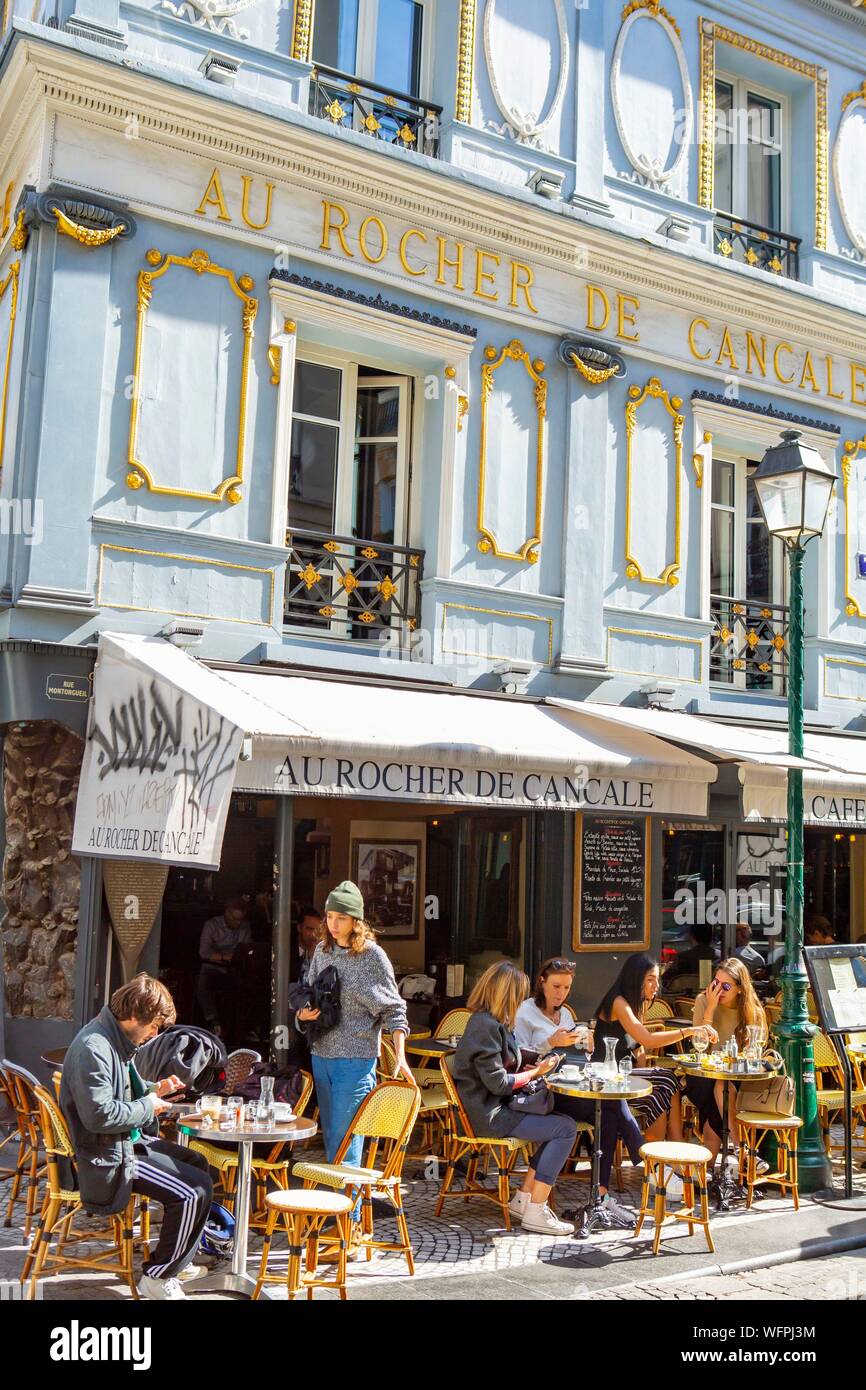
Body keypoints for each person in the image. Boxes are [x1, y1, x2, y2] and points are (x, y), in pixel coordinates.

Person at [60, 975, 213, 1301]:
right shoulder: (94, 1048)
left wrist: (157, 1090)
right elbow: (99, 1116)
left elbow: (121, 1089)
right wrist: (149, 1106)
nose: (155, 1035)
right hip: (106, 1155)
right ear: (134, 1016)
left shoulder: (110, 1039)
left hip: (121, 1143)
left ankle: (176, 1260)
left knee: (196, 1162)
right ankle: (157, 1278)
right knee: (193, 1191)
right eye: (154, 1026)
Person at [515, 957, 644, 1229]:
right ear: (542, 982)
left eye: (566, 988)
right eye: (556, 986)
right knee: (608, 1105)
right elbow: (518, 1058)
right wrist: (550, 1042)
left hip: (570, 1085)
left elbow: (572, 1055)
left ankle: (602, 1194)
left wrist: (584, 1045)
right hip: (543, 1091)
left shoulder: (565, 1015)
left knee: (606, 1112)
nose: (561, 993)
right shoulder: (525, 1012)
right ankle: (644, 1160)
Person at [451, 961, 578, 1237]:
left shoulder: (493, 1020)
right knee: (565, 1129)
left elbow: (510, 1056)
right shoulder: (485, 1024)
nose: (522, 1000)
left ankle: (523, 1199)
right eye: (519, 994)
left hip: (497, 1108)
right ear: (507, 993)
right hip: (489, 1115)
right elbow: (498, 1082)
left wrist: (537, 1059)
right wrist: (535, 1073)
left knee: (563, 1124)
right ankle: (536, 1209)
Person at [295, 880, 413, 1171]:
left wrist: (400, 1054)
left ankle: (352, 1213)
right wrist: (301, 1017)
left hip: (355, 1061)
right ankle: (342, 1210)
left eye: (342, 918)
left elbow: (395, 1010)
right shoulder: (322, 951)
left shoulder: (372, 957)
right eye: (330, 917)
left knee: (347, 1141)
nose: (334, 924)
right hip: (321, 1054)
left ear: (356, 920)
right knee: (332, 1138)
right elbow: (308, 995)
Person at [593, 954, 706, 1144]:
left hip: (624, 1075)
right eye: (650, 980)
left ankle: (664, 1158)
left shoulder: (634, 1003)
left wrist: (641, 1076)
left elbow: (639, 1047)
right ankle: (663, 1156)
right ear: (635, 979)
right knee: (667, 1078)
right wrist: (689, 1031)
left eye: (658, 980)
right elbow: (648, 1039)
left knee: (661, 1093)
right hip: (606, 1079)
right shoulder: (618, 1003)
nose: (657, 986)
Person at [685, 958, 768, 1164]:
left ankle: (707, 1172)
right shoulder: (703, 1001)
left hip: (738, 1077)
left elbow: (758, 1049)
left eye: (726, 986)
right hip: (702, 1076)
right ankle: (742, 1149)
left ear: (740, 989)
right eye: (716, 983)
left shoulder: (752, 1011)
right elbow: (700, 1046)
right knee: (722, 1086)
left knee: (718, 1104)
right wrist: (710, 1010)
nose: (718, 990)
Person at [196, 894, 252, 1036]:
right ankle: (213, 1021)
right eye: (235, 919)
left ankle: (244, 1027)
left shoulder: (245, 927)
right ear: (227, 913)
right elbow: (204, 953)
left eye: (240, 919)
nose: (238, 923)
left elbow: (247, 950)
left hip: (235, 968)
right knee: (203, 981)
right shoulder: (211, 925)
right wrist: (225, 957)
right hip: (213, 967)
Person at [662, 923, 719, 988]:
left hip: (685, 997)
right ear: (711, 937)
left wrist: (667, 969)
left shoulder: (682, 957)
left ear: (692, 936)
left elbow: (664, 982)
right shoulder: (721, 957)